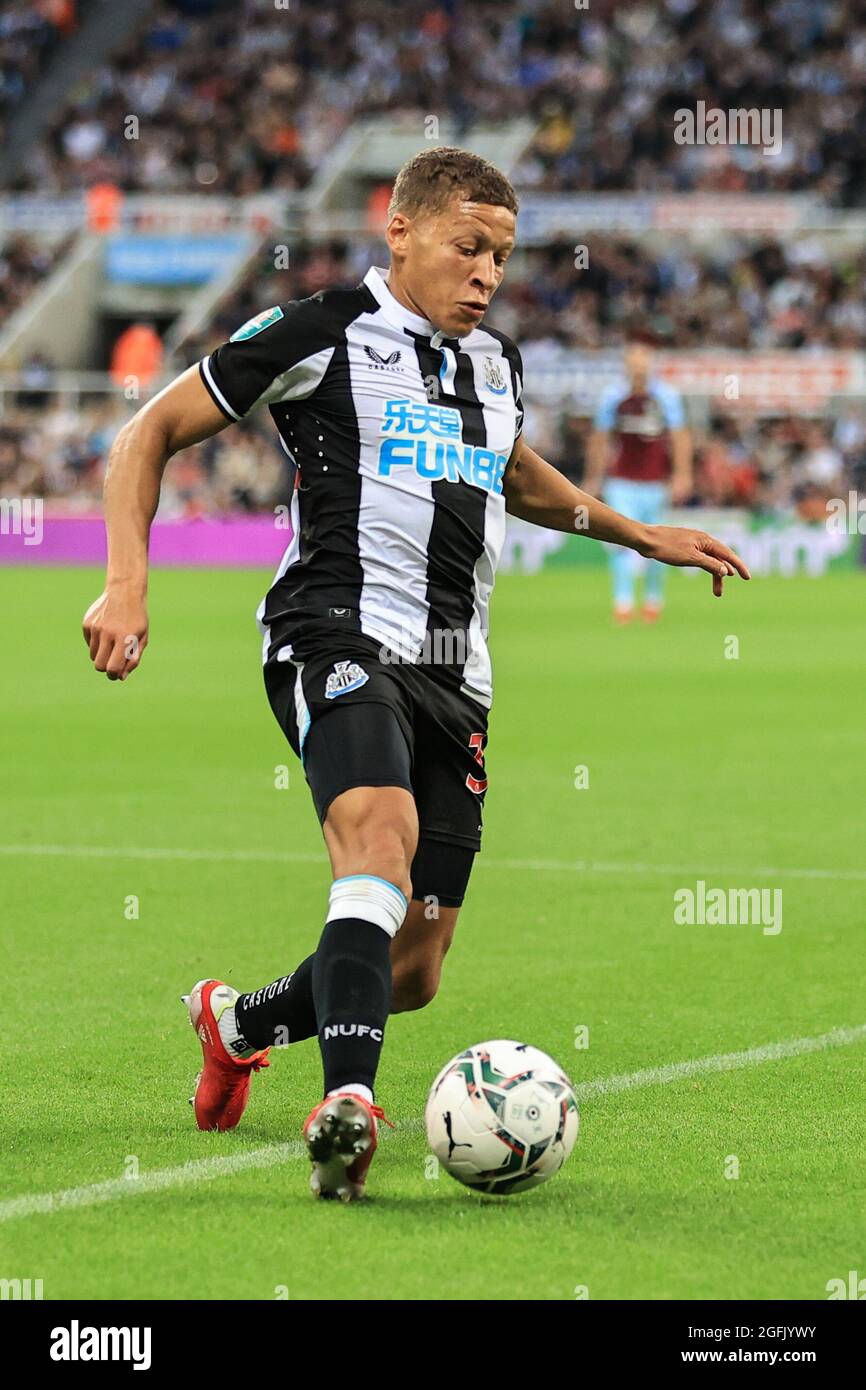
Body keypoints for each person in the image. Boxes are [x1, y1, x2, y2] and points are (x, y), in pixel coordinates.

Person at [82, 147, 748, 1202]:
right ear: (400, 233)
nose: (486, 273)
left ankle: (239, 1021)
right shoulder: (322, 331)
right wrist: (127, 583)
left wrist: (634, 533)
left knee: (415, 966)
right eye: (466, 247)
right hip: (334, 633)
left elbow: (513, 473)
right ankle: (347, 1107)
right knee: (376, 843)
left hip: (455, 671)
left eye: (501, 256)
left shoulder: (497, 365)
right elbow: (148, 431)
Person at [585, 336, 693, 623]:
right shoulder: (613, 397)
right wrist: (594, 478)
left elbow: (680, 437)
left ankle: (653, 601)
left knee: (658, 544)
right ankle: (623, 603)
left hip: (655, 483)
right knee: (621, 541)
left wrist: (682, 475)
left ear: (651, 365)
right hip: (621, 482)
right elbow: (600, 439)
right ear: (626, 366)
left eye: (643, 362)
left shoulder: (666, 397)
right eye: (633, 362)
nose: (638, 368)